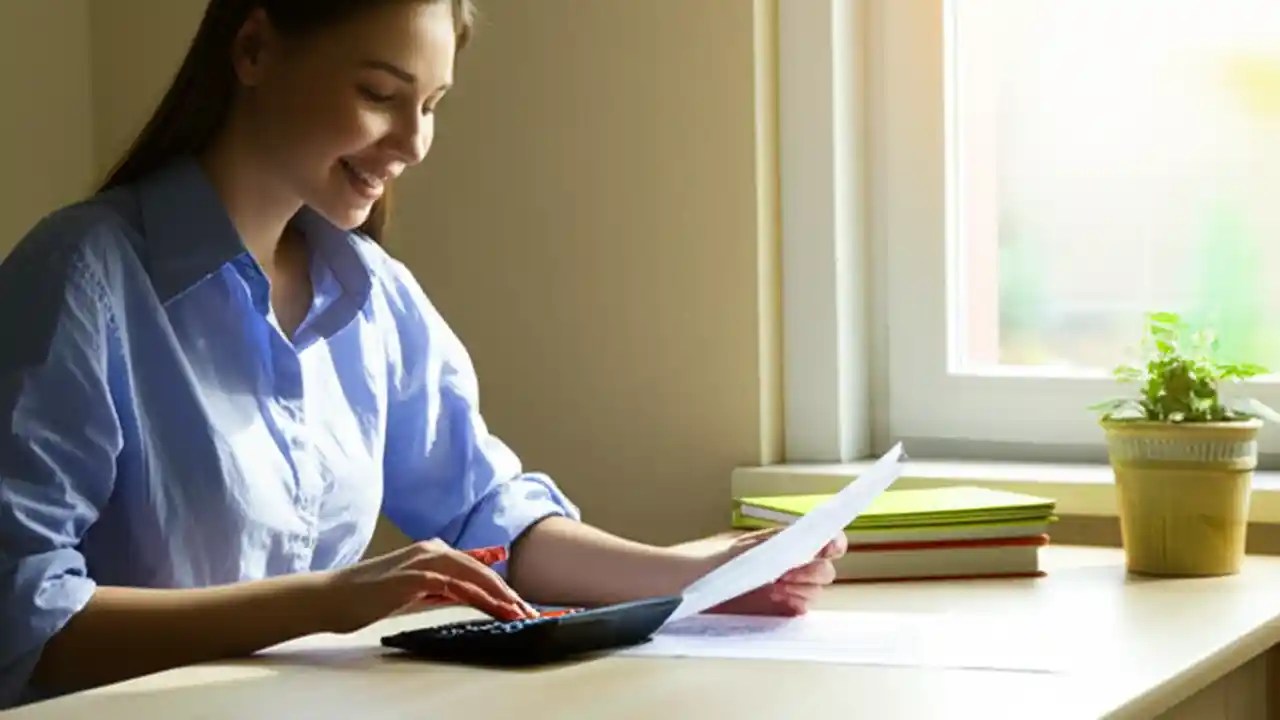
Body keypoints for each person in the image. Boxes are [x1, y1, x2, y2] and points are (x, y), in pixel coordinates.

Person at [0, 0, 847, 708]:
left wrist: (691, 575)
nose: (412, 143)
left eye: (432, 105)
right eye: (380, 94)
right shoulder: (82, 280)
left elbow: (487, 517)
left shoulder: (370, 296)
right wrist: (330, 602)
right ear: (253, 49)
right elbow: (23, 618)